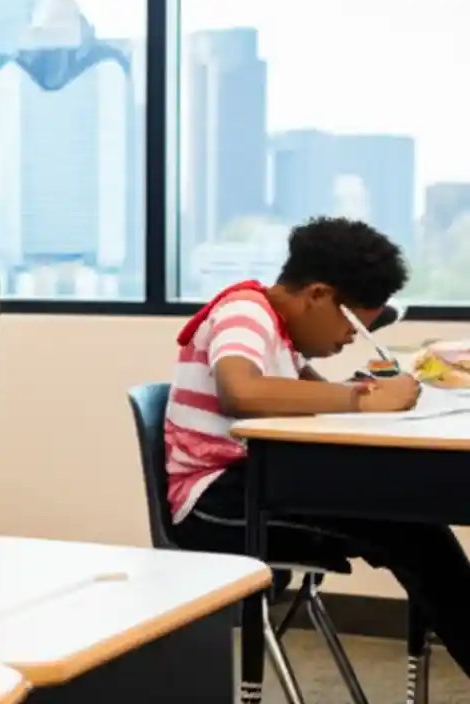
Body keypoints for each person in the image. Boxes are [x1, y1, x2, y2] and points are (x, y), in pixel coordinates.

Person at [166, 216, 470, 678]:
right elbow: (239, 392)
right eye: (354, 326)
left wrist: (365, 393)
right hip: (217, 503)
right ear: (318, 295)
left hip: (263, 483)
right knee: (413, 533)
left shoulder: (282, 337)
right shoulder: (244, 312)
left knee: (413, 524)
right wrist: (359, 400)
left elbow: (316, 404)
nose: (350, 338)